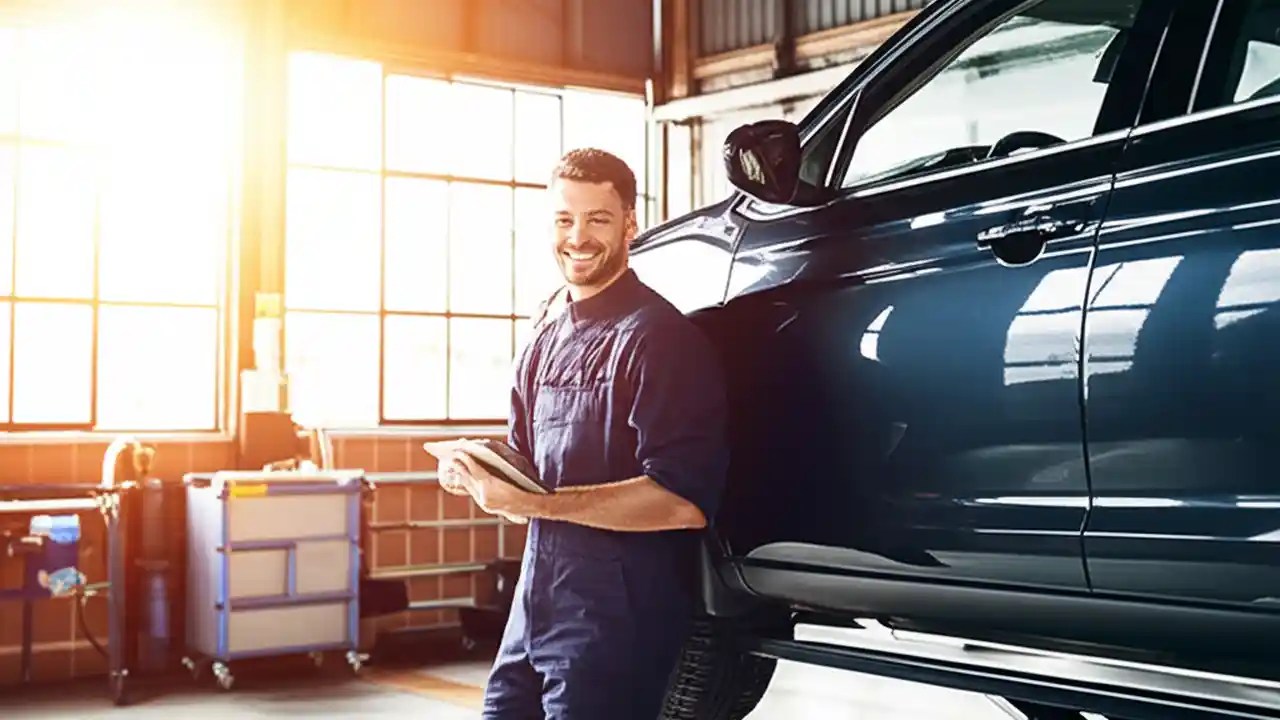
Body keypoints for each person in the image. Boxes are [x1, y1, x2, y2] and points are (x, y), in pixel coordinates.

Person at [441, 147, 729, 719]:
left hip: (616, 619)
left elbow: (682, 503)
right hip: (535, 604)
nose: (579, 237)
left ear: (630, 224)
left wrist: (535, 502)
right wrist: (478, 475)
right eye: (564, 220)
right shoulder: (543, 342)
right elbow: (528, 476)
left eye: (598, 218)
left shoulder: (661, 340)